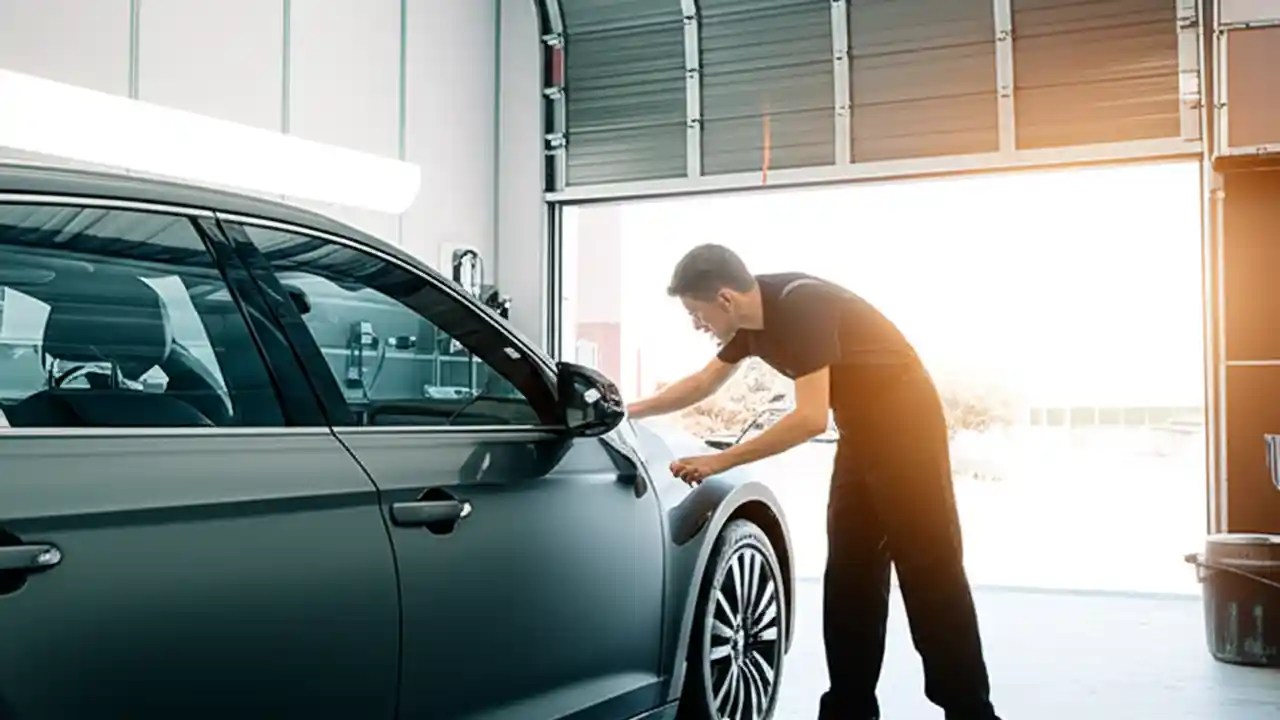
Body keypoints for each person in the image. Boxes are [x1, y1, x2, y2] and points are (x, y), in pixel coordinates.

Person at [626, 244, 1000, 720]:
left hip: (907, 420)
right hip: (861, 429)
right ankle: (848, 708)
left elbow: (808, 419)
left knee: (928, 567)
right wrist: (628, 409)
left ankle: (971, 711)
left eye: (696, 314)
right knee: (849, 572)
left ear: (724, 299)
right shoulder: (750, 322)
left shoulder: (801, 306)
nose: (697, 326)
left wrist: (719, 462)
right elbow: (702, 383)